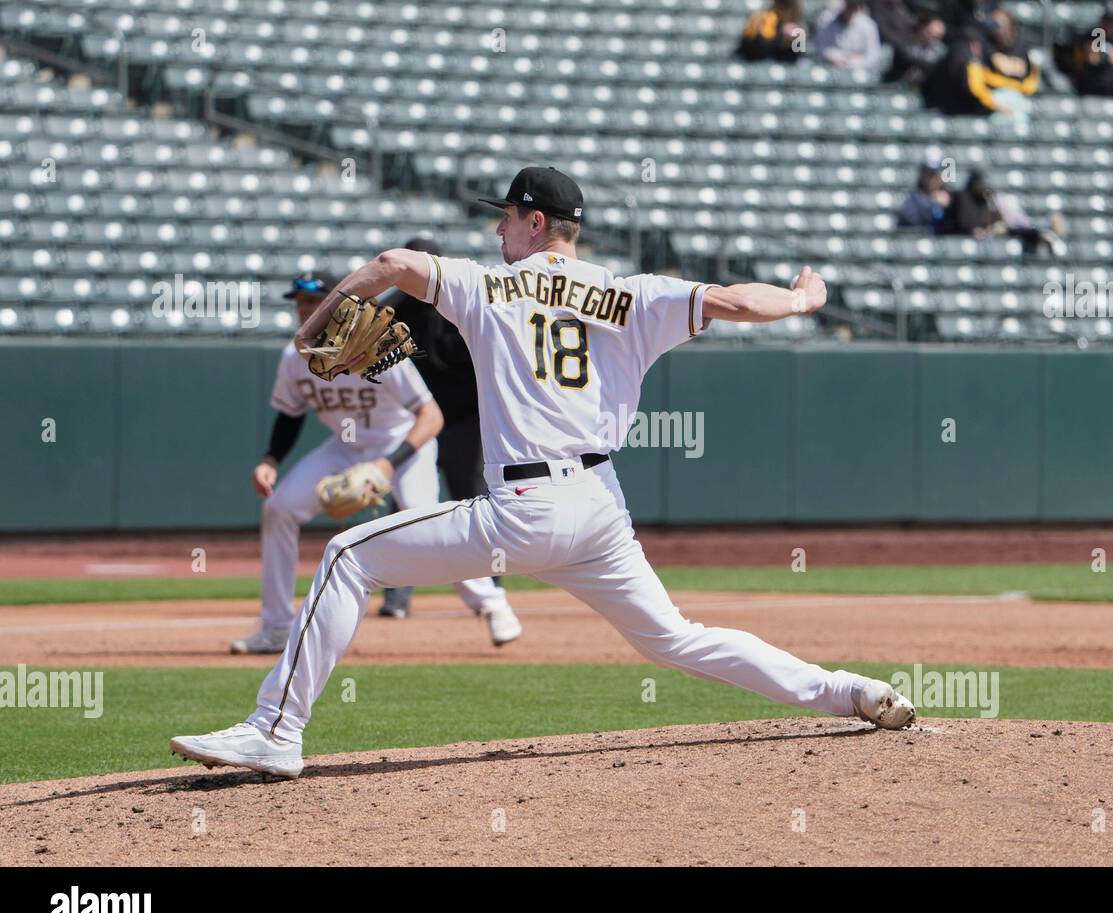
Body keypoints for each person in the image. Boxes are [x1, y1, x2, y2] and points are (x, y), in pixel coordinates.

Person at [171, 166, 916, 778]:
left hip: (521, 508)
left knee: (344, 555)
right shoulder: (630, 292)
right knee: (677, 640)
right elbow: (730, 301)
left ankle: (275, 728)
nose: (497, 230)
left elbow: (393, 264)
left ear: (534, 221)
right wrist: (802, 299)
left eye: (506, 218)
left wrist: (314, 323)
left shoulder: (485, 285)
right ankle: (847, 690)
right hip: (600, 509)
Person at [233, 271, 512, 656]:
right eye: (299, 301)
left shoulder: (377, 350)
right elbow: (290, 414)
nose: (304, 309)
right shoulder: (295, 357)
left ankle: (490, 601)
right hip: (345, 448)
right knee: (279, 509)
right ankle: (277, 627)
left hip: (401, 444)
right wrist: (270, 460)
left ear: (338, 303)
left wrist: (387, 464)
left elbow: (431, 417)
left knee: (425, 518)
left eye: (313, 301)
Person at [371, 237, 522, 645]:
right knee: (405, 506)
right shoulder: (391, 311)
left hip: (462, 418)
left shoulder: (460, 302)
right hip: (416, 421)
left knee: (468, 499)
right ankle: (398, 594)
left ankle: (493, 591)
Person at [939, 170, 1064, 256]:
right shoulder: (962, 197)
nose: (983, 187)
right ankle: (1041, 233)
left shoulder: (989, 199)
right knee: (1003, 229)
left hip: (995, 232)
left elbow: (1003, 218)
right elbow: (964, 221)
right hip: (972, 237)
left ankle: (1040, 232)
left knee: (1007, 228)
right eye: (980, 184)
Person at [814, 0, 882, 73]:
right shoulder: (827, 21)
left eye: (852, 5)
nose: (849, 9)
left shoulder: (868, 25)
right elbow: (821, 48)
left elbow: (873, 55)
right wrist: (841, 57)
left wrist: (854, 61)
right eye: (847, 4)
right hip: (832, 69)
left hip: (860, 71)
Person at [884, 13, 947, 86]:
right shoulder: (904, 42)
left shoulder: (940, 49)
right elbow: (907, 58)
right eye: (931, 33)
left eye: (938, 37)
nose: (934, 39)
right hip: (897, 84)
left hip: (924, 88)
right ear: (922, 27)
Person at [737, 0, 806, 62]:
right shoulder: (763, 18)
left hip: (782, 65)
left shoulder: (798, 28)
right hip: (755, 62)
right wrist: (780, 37)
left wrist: (790, 43)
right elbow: (753, 50)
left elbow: (796, 57)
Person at [898, 160, 951, 232]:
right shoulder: (913, 200)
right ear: (922, 176)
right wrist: (933, 203)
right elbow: (913, 221)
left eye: (937, 175)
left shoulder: (950, 198)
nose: (934, 179)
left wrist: (949, 206)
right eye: (930, 175)